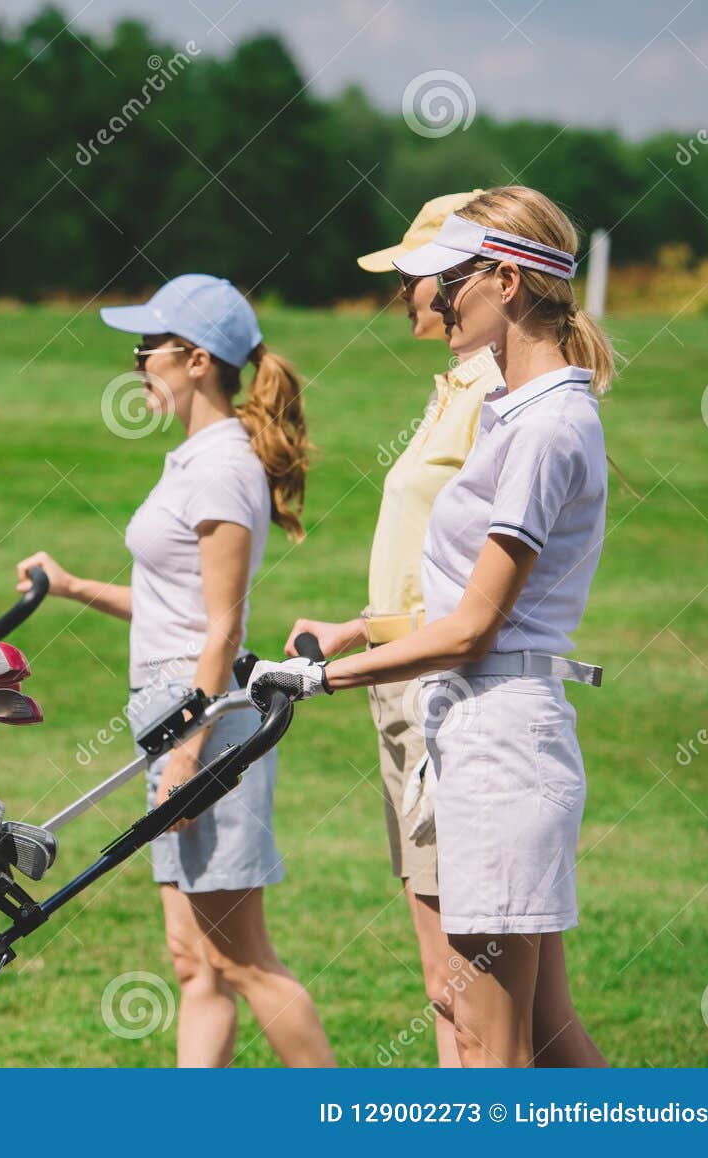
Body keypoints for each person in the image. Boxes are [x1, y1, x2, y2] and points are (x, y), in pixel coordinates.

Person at [248, 187, 611, 1068]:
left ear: (509, 280)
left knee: (492, 1047)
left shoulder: (545, 426)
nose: (433, 299)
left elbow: (471, 630)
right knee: (528, 1037)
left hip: (500, 744)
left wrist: (317, 677)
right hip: (482, 736)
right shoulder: (514, 412)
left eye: (450, 280)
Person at [17, 274, 333, 1067]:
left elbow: (222, 628)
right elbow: (179, 605)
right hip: (174, 710)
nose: (136, 366)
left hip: (204, 722)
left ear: (196, 361)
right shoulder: (194, 458)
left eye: (146, 349)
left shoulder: (223, 467)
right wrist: (75, 586)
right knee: (194, 961)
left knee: (242, 959)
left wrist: (187, 750)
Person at [284, 189, 494, 1067]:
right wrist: (353, 627)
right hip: (396, 671)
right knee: (445, 982)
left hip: (438, 688)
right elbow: (434, 558)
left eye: (412, 277)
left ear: (463, 280)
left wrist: (357, 659)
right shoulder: (455, 388)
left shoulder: (497, 394)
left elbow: (487, 584)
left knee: (468, 989)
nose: (405, 296)